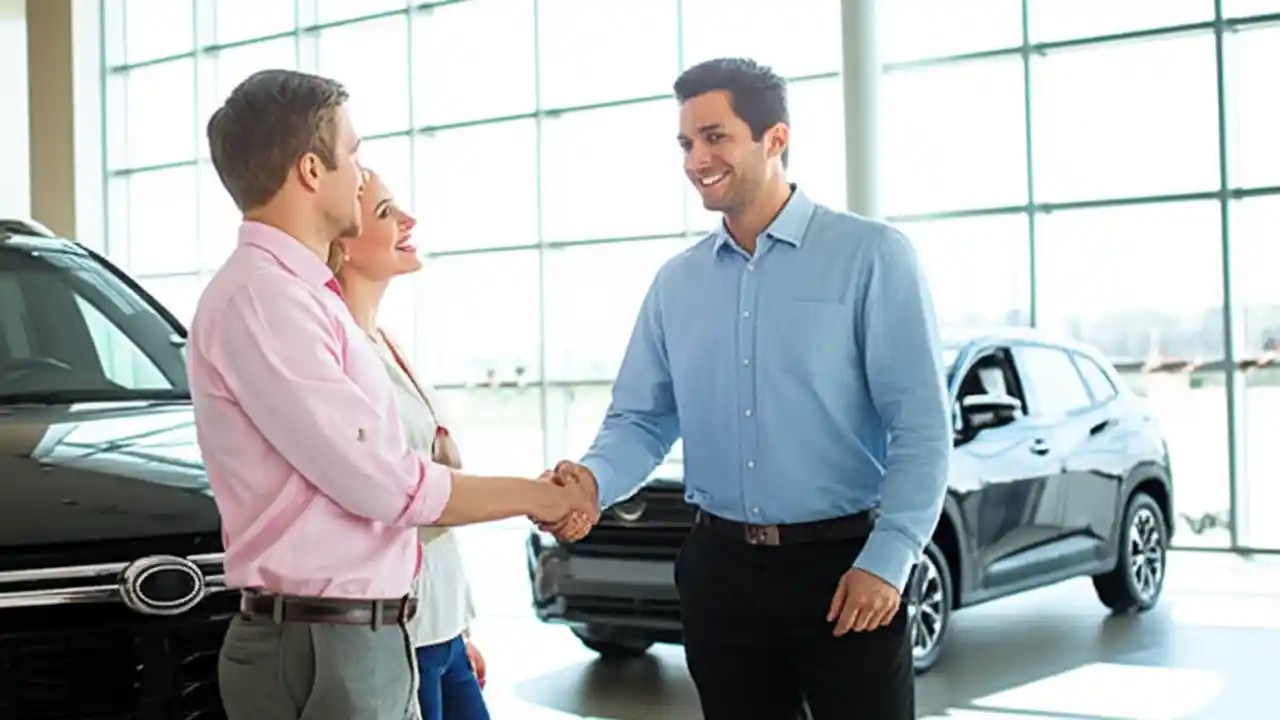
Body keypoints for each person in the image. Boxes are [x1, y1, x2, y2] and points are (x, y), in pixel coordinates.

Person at [546, 57, 952, 719]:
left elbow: (922, 427)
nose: (696, 158)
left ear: (776, 140)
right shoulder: (676, 283)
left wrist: (890, 557)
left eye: (714, 136)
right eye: (685, 143)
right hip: (720, 573)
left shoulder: (873, 257)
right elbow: (641, 420)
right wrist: (590, 483)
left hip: (845, 566)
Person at [189, 69, 592, 720]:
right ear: (312, 171)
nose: (359, 171)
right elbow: (385, 484)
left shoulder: (299, 297)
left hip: (356, 638)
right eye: (353, 153)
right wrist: (541, 497)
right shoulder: (264, 299)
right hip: (323, 650)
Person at [326, 168, 490, 720]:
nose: (407, 220)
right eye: (385, 213)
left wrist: (461, 629)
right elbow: (392, 496)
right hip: (401, 635)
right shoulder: (337, 352)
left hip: (441, 629)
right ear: (341, 243)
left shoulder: (385, 340)